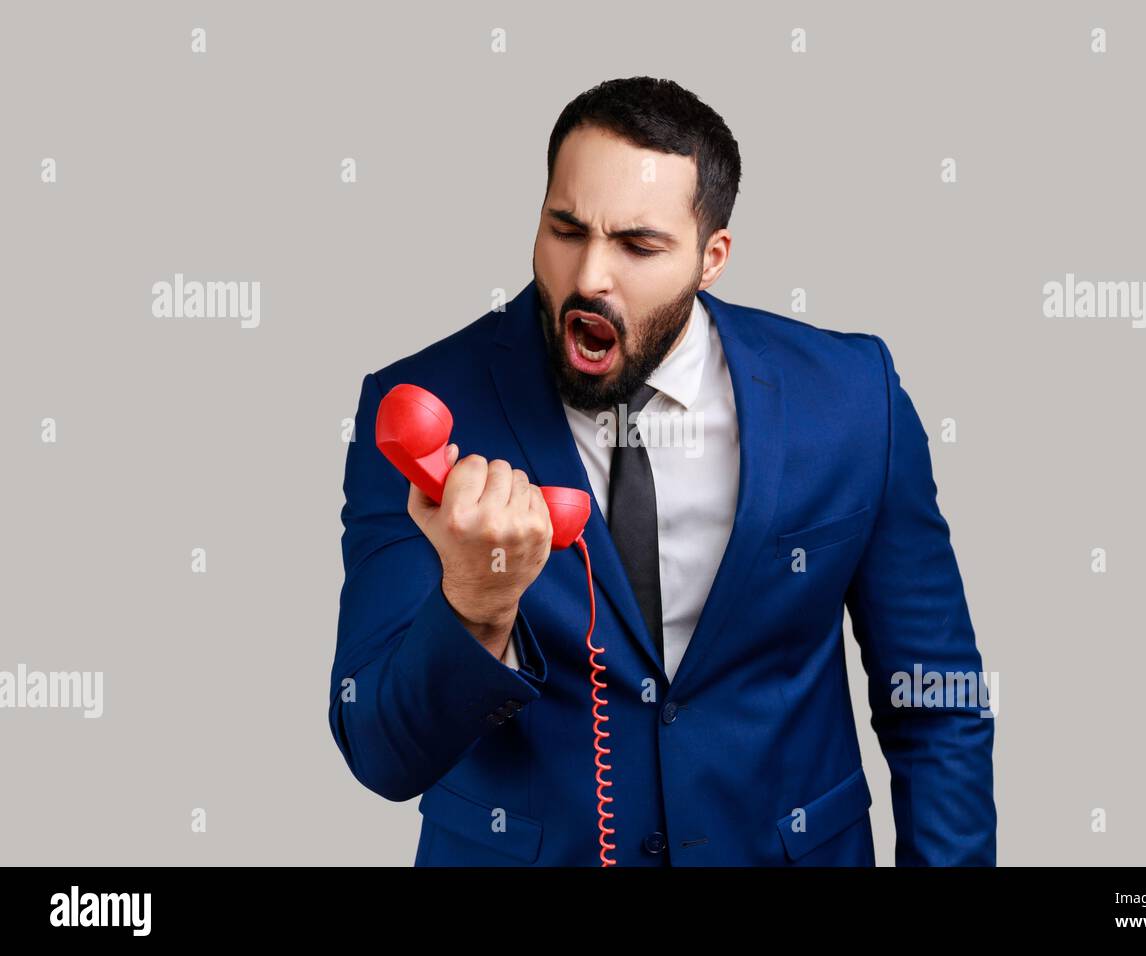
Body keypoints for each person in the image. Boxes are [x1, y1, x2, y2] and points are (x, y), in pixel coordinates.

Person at [330, 76, 995, 866]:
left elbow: (936, 697)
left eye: (638, 246)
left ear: (712, 257)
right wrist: (475, 605)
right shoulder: (424, 405)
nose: (589, 279)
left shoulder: (854, 398)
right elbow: (380, 750)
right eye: (566, 229)